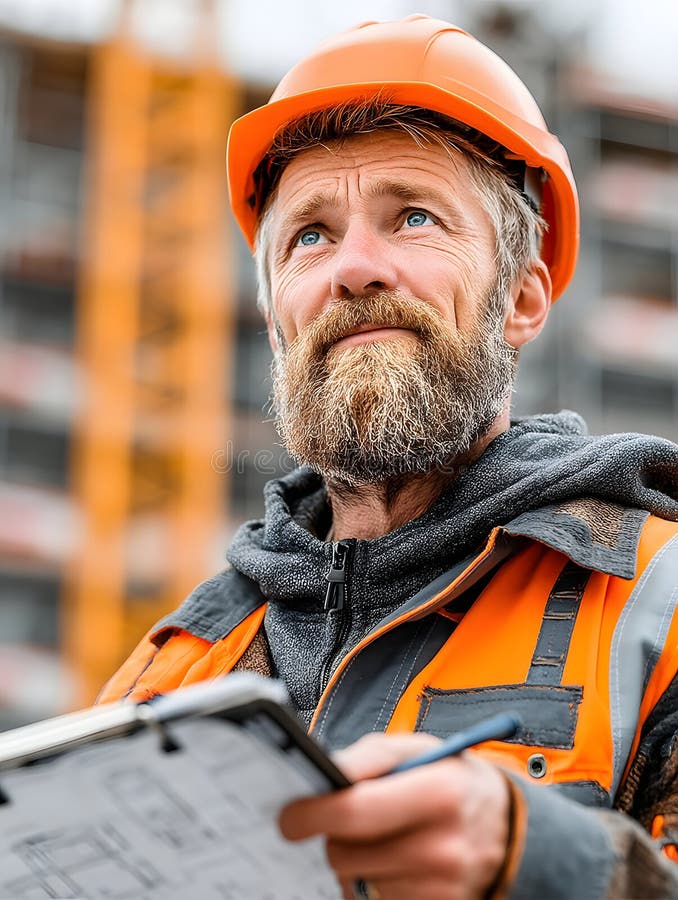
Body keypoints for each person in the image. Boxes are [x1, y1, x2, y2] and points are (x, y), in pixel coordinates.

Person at [99, 16, 678, 900]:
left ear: (520, 301)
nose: (354, 268)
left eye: (413, 217)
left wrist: (537, 858)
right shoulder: (174, 667)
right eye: (310, 236)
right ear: (279, 320)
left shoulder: (657, 599)